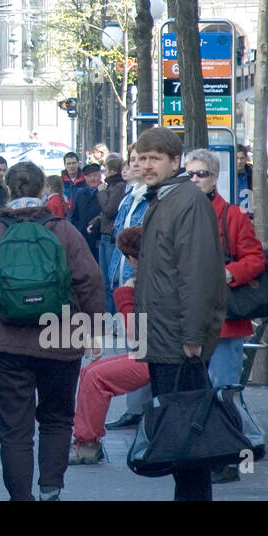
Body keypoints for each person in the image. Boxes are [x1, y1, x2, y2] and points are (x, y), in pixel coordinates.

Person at [0, 161, 106, 500]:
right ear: (44, 189)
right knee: (57, 419)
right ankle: (50, 488)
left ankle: (20, 496)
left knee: (14, 428)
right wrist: (94, 329)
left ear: (9, 190)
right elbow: (89, 279)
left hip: (6, 344)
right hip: (61, 339)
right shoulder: (63, 230)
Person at [132, 126, 225, 502]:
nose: (146, 165)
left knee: (188, 436)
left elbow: (197, 273)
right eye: (142, 159)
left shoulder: (186, 201)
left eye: (155, 159)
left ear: (175, 162)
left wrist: (193, 336)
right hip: (164, 337)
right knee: (179, 434)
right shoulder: (164, 198)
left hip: (178, 341)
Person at [185, 148, 265, 484]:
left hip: (225, 323)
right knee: (199, 391)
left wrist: (230, 273)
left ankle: (232, 458)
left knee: (224, 390)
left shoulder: (231, 215)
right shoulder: (180, 212)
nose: (194, 180)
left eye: (201, 173)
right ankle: (209, 451)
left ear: (215, 177)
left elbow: (255, 258)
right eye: (188, 174)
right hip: (188, 319)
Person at [69, 225, 150, 464]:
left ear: (132, 257)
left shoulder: (141, 283)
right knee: (90, 372)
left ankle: (87, 444)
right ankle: (86, 441)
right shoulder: (156, 277)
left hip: (159, 355)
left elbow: (136, 336)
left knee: (95, 376)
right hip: (161, 350)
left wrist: (124, 298)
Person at [105, 145, 152, 428]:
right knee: (132, 343)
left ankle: (141, 408)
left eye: (141, 159)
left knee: (142, 345)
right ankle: (135, 407)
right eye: (133, 160)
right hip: (123, 276)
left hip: (140, 279)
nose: (135, 165)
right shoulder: (128, 198)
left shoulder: (151, 199)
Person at [96, 154, 127, 297]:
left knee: (110, 282)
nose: (104, 173)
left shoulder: (119, 186)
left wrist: (101, 192)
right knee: (104, 282)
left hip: (110, 237)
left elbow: (109, 210)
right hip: (104, 235)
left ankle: (113, 316)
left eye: (106, 169)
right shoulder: (112, 185)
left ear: (112, 170)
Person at [69, 162, 103, 259]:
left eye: (95, 175)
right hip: (83, 238)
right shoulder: (80, 194)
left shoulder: (105, 192)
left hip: (98, 239)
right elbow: (74, 217)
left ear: (100, 176)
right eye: (89, 176)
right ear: (85, 178)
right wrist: (83, 229)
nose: (93, 178)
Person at [234, 145, 253, 215]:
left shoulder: (252, 174)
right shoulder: (229, 175)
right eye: (237, 158)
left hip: (249, 216)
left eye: (242, 158)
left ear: (246, 158)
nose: (239, 161)